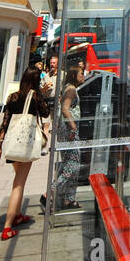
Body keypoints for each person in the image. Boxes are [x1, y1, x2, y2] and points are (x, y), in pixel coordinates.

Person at [0, 66, 41, 240]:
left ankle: (18, 214)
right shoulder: (35, 96)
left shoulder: (13, 97)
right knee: (18, 184)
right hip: (25, 146)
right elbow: (45, 112)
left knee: (18, 180)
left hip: (12, 145)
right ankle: (7, 226)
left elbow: (5, 122)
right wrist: (41, 94)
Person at [46, 65, 84, 212]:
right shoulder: (71, 89)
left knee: (71, 162)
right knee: (73, 163)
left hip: (65, 128)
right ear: (74, 75)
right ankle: (52, 190)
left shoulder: (67, 87)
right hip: (68, 129)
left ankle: (69, 199)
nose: (83, 76)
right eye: (81, 74)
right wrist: (73, 126)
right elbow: (65, 109)